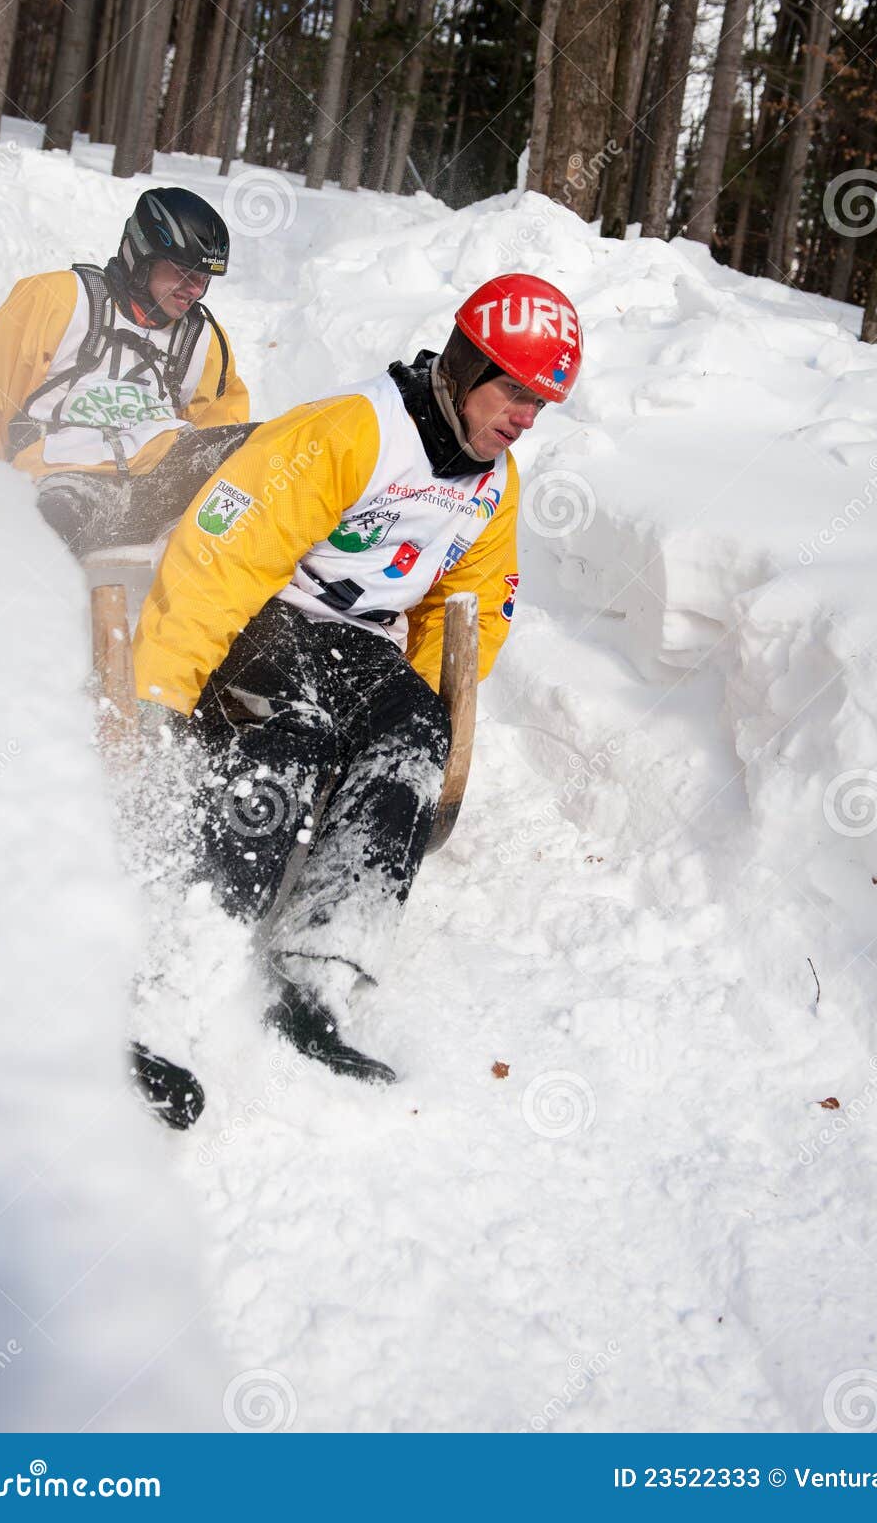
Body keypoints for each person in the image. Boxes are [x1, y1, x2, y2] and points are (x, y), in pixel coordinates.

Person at [129, 273, 583, 1129]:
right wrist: (164, 690)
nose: (525, 417)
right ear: (462, 367)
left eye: (542, 403)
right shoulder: (347, 433)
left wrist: (406, 712)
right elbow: (217, 562)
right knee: (294, 740)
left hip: (357, 638)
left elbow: (476, 606)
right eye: (515, 392)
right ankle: (166, 991)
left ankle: (318, 978)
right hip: (263, 618)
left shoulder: (494, 481)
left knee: (415, 736)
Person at [0, 187, 252, 555]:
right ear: (141, 255)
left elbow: (218, 434)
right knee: (60, 523)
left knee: (260, 449)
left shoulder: (203, 340)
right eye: (182, 273)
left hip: (161, 477)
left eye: (204, 279)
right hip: (63, 475)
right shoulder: (57, 298)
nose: (194, 290)